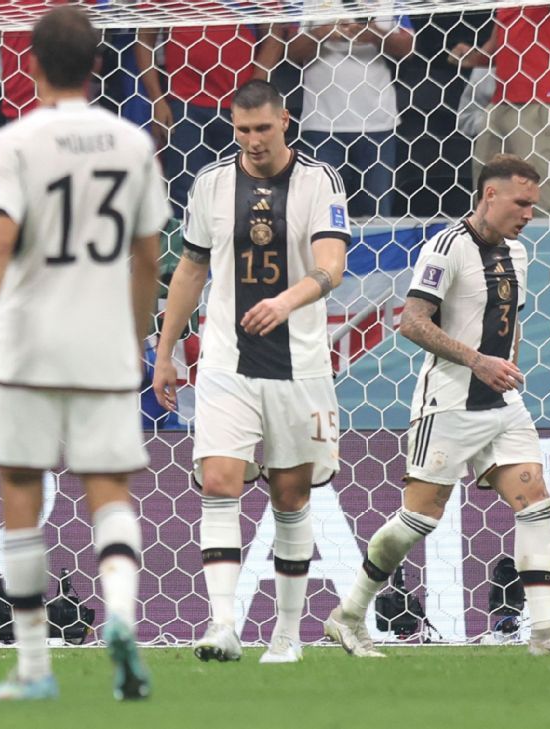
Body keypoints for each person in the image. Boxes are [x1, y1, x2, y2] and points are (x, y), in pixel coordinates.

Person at [0, 6, 168, 701]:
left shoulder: (15, 142)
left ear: (34, 64)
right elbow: (148, 256)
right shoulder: (133, 144)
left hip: (27, 343)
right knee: (108, 488)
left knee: (21, 488)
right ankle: (120, 616)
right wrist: (135, 337)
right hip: (104, 342)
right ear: (100, 67)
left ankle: (33, 666)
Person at [323, 154, 550, 658]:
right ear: (489, 195)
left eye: (534, 205)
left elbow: (508, 317)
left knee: (536, 502)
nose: (528, 213)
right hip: (449, 404)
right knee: (419, 521)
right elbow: (411, 322)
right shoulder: (447, 247)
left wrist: (507, 363)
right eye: (521, 203)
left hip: (503, 403)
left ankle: (544, 632)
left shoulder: (517, 253)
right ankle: (348, 614)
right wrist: (479, 361)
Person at [152, 79, 351, 664]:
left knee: (290, 496)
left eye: (262, 128)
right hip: (225, 362)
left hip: (300, 366)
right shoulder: (211, 184)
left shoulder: (319, 180)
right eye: (242, 130)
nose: (253, 140)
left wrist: (285, 303)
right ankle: (222, 624)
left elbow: (332, 266)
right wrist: (166, 351)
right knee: (219, 481)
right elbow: (189, 271)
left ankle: (287, 634)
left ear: (285, 121)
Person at [135, 18, 284, 218]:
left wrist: (255, 88)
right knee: (186, 192)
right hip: (183, 105)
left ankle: (237, 248)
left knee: (241, 193)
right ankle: (185, 247)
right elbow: (144, 36)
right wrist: (157, 100)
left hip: (241, 109)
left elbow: (275, 30)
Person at [450, 4, 550, 213]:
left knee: (535, 194)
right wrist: (470, 56)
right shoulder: (508, 3)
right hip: (501, 100)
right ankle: (488, 244)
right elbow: (497, 46)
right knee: (487, 191)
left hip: (541, 101)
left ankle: (548, 245)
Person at [289, 4, 414, 218]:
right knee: (320, 214)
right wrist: (324, 32)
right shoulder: (307, 3)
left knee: (377, 218)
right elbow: (290, 51)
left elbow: (408, 48)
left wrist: (372, 34)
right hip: (321, 124)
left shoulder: (390, 4)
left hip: (377, 125)